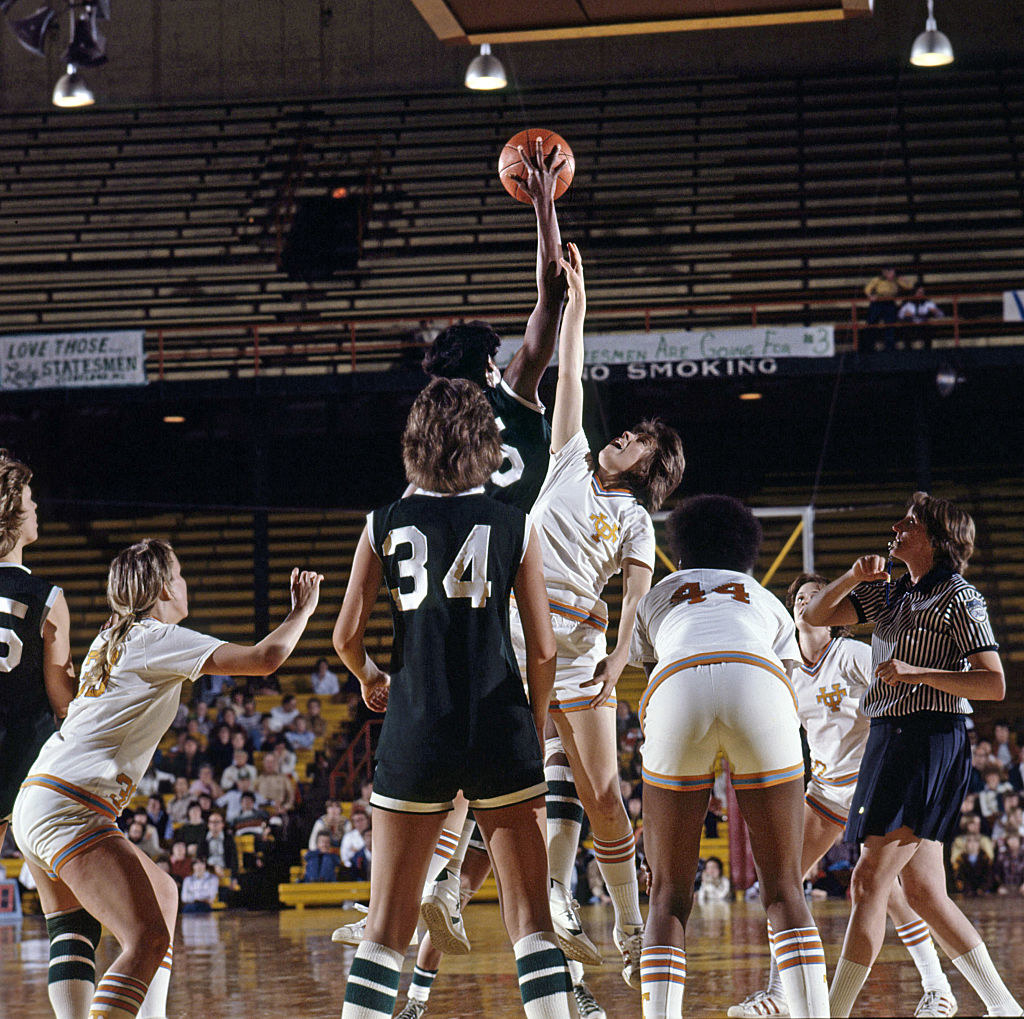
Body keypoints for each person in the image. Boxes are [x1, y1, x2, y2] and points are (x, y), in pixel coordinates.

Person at [332, 376, 575, 1019]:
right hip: (500, 721)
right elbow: (545, 651)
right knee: (531, 924)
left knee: (385, 927)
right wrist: (538, 719)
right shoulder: (515, 523)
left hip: (415, 722)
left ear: (415, 446)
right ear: (487, 448)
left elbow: (346, 635)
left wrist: (369, 678)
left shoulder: (381, 522)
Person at [12, 537, 322, 1019]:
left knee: (153, 897)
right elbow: (266, 658)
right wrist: (301, 611)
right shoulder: (158, 638)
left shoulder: (110, 637)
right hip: (71, 804)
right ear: (160, 587)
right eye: (177, 574)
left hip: (38, 797)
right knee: (147, 937)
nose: (184, 582)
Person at [508, 243, 686, 988]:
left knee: (604, 794)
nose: (625, 435)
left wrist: (620, 660)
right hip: (516, 629)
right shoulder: (566, 458)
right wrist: (576, 304)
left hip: (582, 650)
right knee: (497, 773)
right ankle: (458, 892)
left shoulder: (636, 520)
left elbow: (638, 592)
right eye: (629, 430)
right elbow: (569, 373)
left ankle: (625, 915)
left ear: (651, 464)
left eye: (640, 438)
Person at [803, 490, 1023, 1018]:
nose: (897, 525)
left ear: (934, 537)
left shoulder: (960, 596)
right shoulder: (894, 592)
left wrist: (917, 673)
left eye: (910, 521)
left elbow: (993, 684)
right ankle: (1003, 1007)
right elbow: (816, 613)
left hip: (928, 736)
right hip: (890, 736)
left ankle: (831, 1013)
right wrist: (856, 576)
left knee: (867, 879)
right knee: (924, 891)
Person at [630, 495, 828, 1018]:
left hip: (677, 685)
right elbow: (790, 669)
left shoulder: (657, 594)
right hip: (758, 681)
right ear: (748, 551)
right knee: (785, 888)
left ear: (680, 548)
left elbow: (645, 660)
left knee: (669, 894)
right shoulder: (765, 599)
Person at [730, 571, 955, 1019]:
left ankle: (938, 988)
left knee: (889, 893)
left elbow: (901, 689)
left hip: (876, 785)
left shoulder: (851, 653)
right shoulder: (784, 668)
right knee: (782, 882)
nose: (806, 601)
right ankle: (779, 993)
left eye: (817, 596)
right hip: (828, 790)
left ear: (835, 618)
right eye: (800, 596)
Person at [0, 450, 102, 1019]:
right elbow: (64, 702)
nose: (38, 509)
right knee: (67, 913)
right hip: (26, 769)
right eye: (31, 501)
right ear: (13, 513)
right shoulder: (49, 598)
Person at [863, 266, 913, 351]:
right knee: (872, 323)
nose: (892, 274)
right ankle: (869, 346)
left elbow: (909, 287)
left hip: (890, 302)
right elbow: (867, 289)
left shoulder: (896, 280)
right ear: (885, 272)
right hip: (878, 302)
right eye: (890, 272)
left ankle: (890, 347)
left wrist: (904, 280)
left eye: (893, 272)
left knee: (890, 324)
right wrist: (871, 296)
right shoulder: (877, 280)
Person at [898, 285, 945, 349]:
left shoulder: (928, 302)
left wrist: (935, 311)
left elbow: (941, 315)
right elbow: (900, 315)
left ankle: (927, 351)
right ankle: (908, 352)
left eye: (922, 292)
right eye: (918, 292)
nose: (920, 294)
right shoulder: (907, 303)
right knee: (905, 330)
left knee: (928, 330)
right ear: (914, 293)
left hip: (923, 326)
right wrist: (905, 315)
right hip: (911, 325)